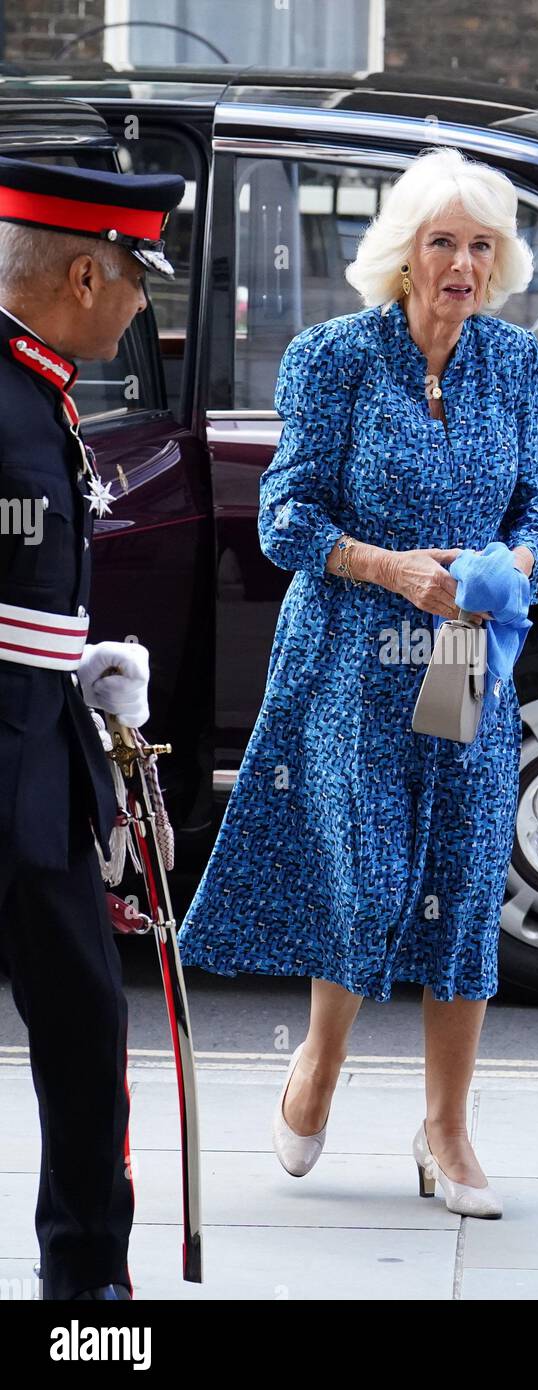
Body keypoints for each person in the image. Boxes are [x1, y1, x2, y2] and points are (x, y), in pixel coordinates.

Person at [178, 145, 538, 1220]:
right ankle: (318, 1061)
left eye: (480, 245)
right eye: (442, 242)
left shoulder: (514, 365)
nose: (462, 264)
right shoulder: (331, 358)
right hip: (354, 651)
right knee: (370, 872)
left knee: (461, 860)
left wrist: (509, 568)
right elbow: (284, 519)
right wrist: (393, 567)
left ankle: (446, 1129)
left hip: (461, 654)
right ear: (403, 255)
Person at [0, 155, 185, 1299]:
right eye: (133, 277)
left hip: (36, 742)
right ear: (81, 272)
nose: (140, 302)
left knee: (82, 1029)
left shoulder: (38, 384)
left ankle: (88, 1290)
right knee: (80, 1034)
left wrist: (77, 657)